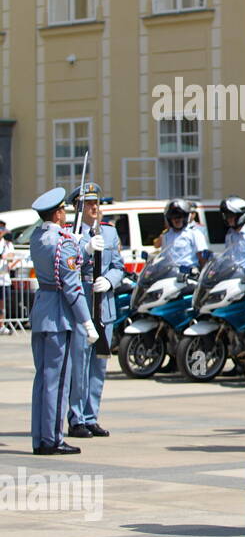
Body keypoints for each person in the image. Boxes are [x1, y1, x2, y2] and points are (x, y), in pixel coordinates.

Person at [28, 187, 95, 455]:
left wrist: (77, 244)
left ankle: (39, 437)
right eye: (63, 211)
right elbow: (72, 287)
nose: (65, 215)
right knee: (58, 382)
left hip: (42, 310)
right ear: (57, 214)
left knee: (42, 380)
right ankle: (52, 439)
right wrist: (86, 321)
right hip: (59, 316)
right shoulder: (64, 241)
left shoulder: (37, 237)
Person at [66, 183, 125, 440]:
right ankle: (76, 418)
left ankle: (91, 417)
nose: (93, 208)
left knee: (99, 366)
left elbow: (119, 266)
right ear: (78, 208)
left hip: (105, 306)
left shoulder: (110, 234)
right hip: (82, 304)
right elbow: (67, 264)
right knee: (79, 364)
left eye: (95, 204)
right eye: (87, 204)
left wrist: (110, 280)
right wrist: (84, 248)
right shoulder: (71, 233)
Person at [161, 198, 210, 271]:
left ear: (185, 217)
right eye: (173, 217)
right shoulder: (166, 235)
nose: (176, 220)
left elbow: (202, 258)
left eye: (179, 216)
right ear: (169, 219)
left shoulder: (194, 233)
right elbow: (164, 257)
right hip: (169, 274)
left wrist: (201, 274)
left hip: (188, 275)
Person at [220, 196, 245, 267]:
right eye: (226, 216)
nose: (228, 219)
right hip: (232, 275)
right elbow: (227, 256)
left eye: (231, 216)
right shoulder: (229, 234)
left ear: (241, 215)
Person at [0, 221, 17, 334]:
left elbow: (11, 257)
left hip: (4, 279)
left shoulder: (8, 244)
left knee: (2, 303)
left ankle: (1, 325)